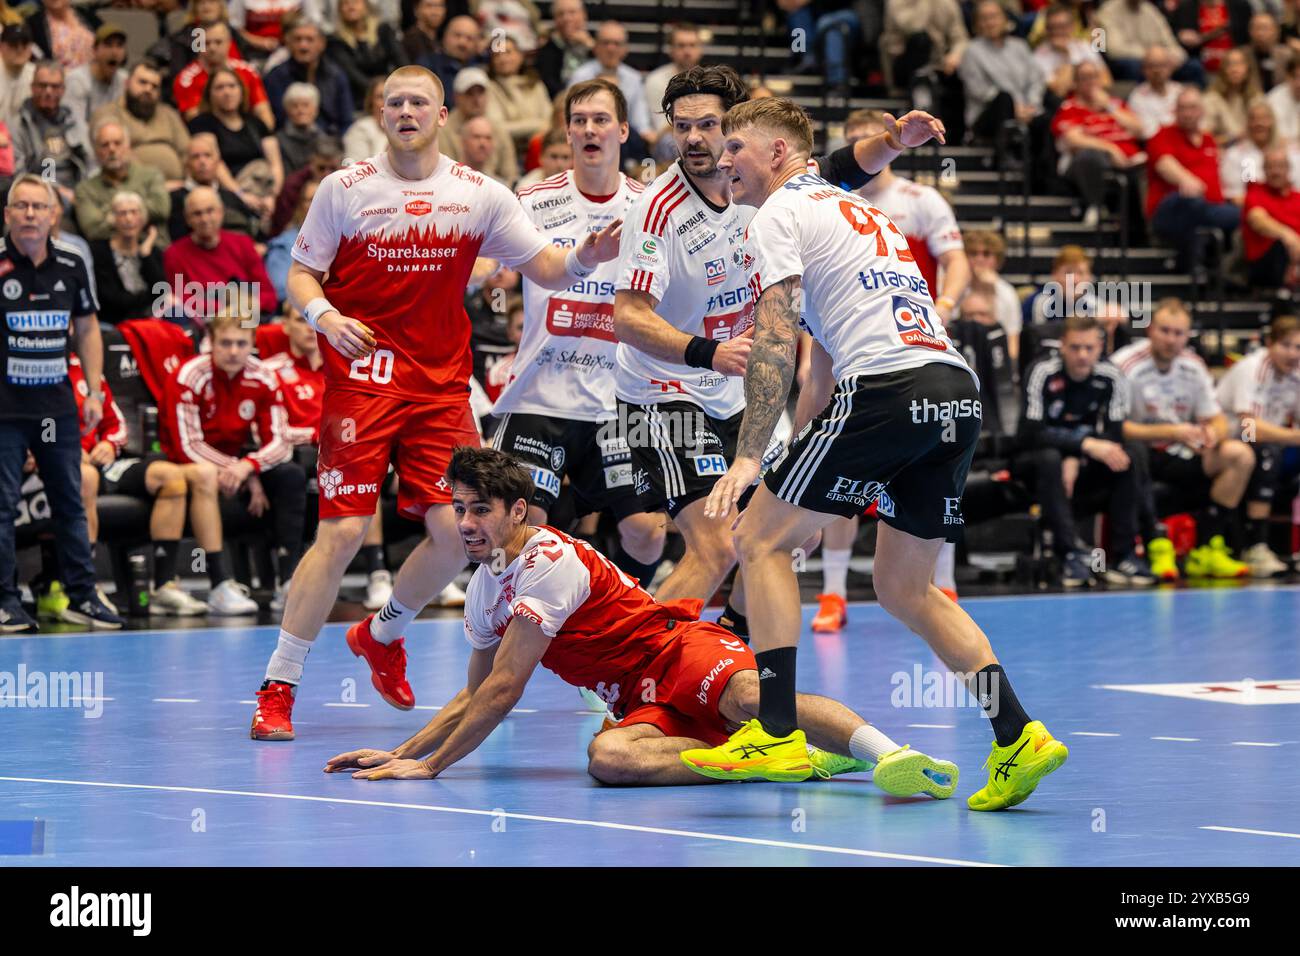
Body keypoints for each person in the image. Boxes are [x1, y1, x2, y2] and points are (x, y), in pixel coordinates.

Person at [690, 97, 1068, 811]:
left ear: (777, 154)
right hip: (953, 391)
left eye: (736, 144)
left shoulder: (776, 214)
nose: (723, 156)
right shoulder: (858, 215)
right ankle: (1017, 733)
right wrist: (797, 451)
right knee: (903, 587)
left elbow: (774, 338)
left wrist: (748, 459)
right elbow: (820, 369)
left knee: (756, 539)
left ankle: (774, 731)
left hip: (889, 389)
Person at [249, 64, 625, 741]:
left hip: (440, 385)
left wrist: (583, 259)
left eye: (418, 101)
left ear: (442, 114)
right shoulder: (345, 188)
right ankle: (279, 685)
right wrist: (325, 317)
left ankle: (382, 634)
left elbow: (541, 264)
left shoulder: (478, 194)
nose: (406, 111)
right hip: (362, 380)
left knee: (459, 533)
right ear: (380, 113)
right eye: (393, 101)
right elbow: (302, 274)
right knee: (340, 532)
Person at [323, 445, 960, 794]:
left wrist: (432, 767)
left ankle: (893, 757)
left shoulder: (548, 559)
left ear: (518, 511)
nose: (465, 524)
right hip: (635, 702)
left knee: (748, 693)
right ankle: (754, 755)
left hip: (677, 655)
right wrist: (402, 751)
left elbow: (505, 689)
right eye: (459, 509)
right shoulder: (486, 589)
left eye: (480, 510)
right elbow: (475, 692)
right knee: (608, 758)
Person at [612, 65, 946, 642]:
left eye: (709, 125)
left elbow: (840, 167)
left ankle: (734, 646)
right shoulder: (656, 208)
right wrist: (708, 352)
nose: (693, 138)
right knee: (718, 543)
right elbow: (627, 317)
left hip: (743, 390)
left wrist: (895, 141)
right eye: (681, 126)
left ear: (739, 129)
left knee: (793, 532)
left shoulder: (762, 186)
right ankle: (629, 672)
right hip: (667, 390)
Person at [491, 79, 665, 592]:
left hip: (619, 396)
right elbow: (489, 265)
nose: (590, 129)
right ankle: (514, 629)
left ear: (624, 130)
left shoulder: (649, 206)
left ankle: (621, 619)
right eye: (580, 120)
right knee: (521, 535)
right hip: (544, 393)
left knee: (646, 533)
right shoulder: (532, 198)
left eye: (601, 119)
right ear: (567, 131)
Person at [811, 107, 972, 631]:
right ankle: (833, 593)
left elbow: (959, 261)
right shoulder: (826, 201)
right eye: (856, 144)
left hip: (913, 339)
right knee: (835, 456)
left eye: (874, 141)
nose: (867, 154)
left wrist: (944, 304)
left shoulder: (919, 201)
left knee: (930, 459)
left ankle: (942, 581)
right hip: (844, 339)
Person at [0, 174, 124, 632]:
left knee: (70, 502)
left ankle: (82, 595)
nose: (30, 214)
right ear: (8, 214)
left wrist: (92, 391)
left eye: (39, 206)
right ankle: (5, 601)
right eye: (21, 206)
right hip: (6, 411)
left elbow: (88, 328)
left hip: (57, 408)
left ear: (54, 215)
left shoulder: (72, 262)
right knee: (2, 505)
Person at [259, 306, 400, 613]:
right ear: (285, 326)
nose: (310, 328)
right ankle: (288, 582)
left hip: (347, 452)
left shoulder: (347, 366)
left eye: (314, 321)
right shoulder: (269, 371)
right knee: (349, 466)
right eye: (301, 320)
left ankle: (382, 575)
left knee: (369, 466)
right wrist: (319, 434)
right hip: (297, 459)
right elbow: (276, 429)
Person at [163, 310, 305, 611]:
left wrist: (249, 467)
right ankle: (219, 585)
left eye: (241, 344)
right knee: (203, 472)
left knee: (290, 475)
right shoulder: (190, 376)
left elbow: (281, 441)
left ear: (252, 343)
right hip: (185, 465)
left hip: (237, 464)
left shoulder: (263, 376)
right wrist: (240, 471)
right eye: (225, 343)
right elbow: (187, 445)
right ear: (210, 343)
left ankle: (289, 583)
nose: (233, 351)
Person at [1113, 298, 1254, 580]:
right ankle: (1155, 545)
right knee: (1135, 452)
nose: (1171, 340)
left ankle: (1207, 549)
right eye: (1165, 331)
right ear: (1150, 330)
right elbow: (1114, 427)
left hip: (1183, 451)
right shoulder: (1125, 365)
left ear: (1187, 336)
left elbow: (1216, 418)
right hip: (1138, 451)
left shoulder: (1194, 366)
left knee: (1241, 455)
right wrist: (1171, 431)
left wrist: (1212, 434)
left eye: (1178, 333)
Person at [68, 354, 212, 616]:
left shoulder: (89, 371)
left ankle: (163, 587)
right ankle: (86, 588)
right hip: (68, 466)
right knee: (84, 476)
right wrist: (66, 450)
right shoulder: (32, 371)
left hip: (108, 465)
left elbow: (117, 425)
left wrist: (109, 444)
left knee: (172, 478)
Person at [1015, 315, 1152, 587]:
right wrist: (1082, 445)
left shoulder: (1110, 375)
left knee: (1131, 454)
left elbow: (1114, 433)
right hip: (1036, 460)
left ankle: (1124, 554)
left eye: (1089, 348)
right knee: (1050, 459)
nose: (1082, 355)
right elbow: (1029, 433)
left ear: (1100, 348)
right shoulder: (1042, 371)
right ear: (1062, 346)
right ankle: (1070, 554)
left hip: (1082, 461)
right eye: (1075, 347)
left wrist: (1077, 454)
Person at [1214, 315, 1300, 576]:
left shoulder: (1296, 374)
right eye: (1286, 345)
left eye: (1299, 347)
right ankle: (1256, 546)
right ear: (1269, 343)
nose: (1293, 353)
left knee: (1272, 450)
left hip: (1273, 442)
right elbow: (1249, 429)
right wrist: (1294, 437)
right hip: (1231, 443)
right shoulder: (1253, 368)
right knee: (1267, 452)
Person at [1145, 87, 1239, 271]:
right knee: (1191, 202)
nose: (1188, 113)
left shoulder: (1209, 140)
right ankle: (1190, 265)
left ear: (1201, 111)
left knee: (1244, 214)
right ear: (1176, 111)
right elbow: (1165, 164)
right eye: (1183, 108)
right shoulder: (1162, 135)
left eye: (1193, 108)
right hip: (1172, 208)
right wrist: (1186, 179)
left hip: (1211, 207)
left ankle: (1229, 273)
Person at [1050, 60, 1147, 229]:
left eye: (1094, 76)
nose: (1091, 82)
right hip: (1093, 162)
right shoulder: (1069, 107)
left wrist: (1109, 107)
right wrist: (1110, 149)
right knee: (1090, 156)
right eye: (1084, 77)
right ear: (1076, 82)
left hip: (1131, 160)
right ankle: (1096, 204)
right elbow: (1073, 140)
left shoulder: (1115, 104)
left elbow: (1139, 130)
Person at [163, 187, 278, 322]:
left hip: (248, 321)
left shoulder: (243, 244)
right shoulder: (174, 254)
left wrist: (246, 306)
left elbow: (269, 296)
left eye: (210, 211)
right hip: (205, 324)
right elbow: (184, 301)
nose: (205, 219)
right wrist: (232, 307)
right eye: (197, 213)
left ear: (221, 212)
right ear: (187, 219)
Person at [92, 60, 191, 187]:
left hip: (180, 187)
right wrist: (158, 185)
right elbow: (117, 154)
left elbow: (188, 152)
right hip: (135, 189)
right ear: (126, 83)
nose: (148, 89)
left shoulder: (169, 114)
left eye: (154, 86)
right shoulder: (108, 113)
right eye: (142, 82)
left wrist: (189, 183)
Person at [958, 0, 1044, 144]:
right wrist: (1014, 108)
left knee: (1046, 117)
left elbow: (1036, 79)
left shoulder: (1020, 46)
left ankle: (1045, 165)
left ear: (1005, 19)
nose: (990, 22)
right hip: (987, 115)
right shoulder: (971, 51)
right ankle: (1004, 158)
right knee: (1004, 98)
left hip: (1025, 110)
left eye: (994, 17)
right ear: (977, 24)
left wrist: (1032, 105)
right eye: (984, 18)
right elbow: (979, 90)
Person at [74, 120, 172, 243]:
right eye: (105, 145)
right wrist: (139, 210)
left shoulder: (151, 175)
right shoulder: (85, 189)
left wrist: (110, 215)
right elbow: (93, 230)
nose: (112, 149)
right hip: (112, 256)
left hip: (154, 249)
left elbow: (161, 209)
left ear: (128, 146)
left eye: (117, 143)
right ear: (95, 151)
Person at [172, 20, 274, 130]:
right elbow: (195, 120)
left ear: (229, 42)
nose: (212, 48)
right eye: (206, 43)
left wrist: (265, 136)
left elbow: (264, 112)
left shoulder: (248, 72)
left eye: (218, 42)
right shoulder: (186, 80)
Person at [567, 22, 654, 145]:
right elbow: (571, 116)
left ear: (625, 49)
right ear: (596, 46)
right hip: (586, 135)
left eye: (617, 44)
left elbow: (640, 122)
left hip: (624, 140)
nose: (611, 48)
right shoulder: (581, 76)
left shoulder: (634, 78)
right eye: (606, 43)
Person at [90, 190, 166, 325]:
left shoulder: (151, 251)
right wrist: (149, 297)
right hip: (114, 322)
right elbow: (112, 299)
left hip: (151, 320)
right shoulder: (99, 251)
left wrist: (145, 254)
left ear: (142, 218)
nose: (129, 218)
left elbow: (161, 292)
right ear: (113, 218)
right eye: (122, 213)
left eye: (134, 212)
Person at [1242, 144, 1300, 287]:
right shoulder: (1255, 194)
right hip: (1265, 263)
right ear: (1264, 170)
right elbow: (1258, 220)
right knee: (1280, 245)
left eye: (1280, 166)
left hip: (1296, 259)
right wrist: (1288, 236)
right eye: (1271, 167)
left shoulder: (1297, 197)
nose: (1276, 172)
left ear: (1288, 169)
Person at [329, 0, 406, 105]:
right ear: (340, 11)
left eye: (355, 2)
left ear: (366, 6)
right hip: (359, 99)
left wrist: (394, 86)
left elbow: (402, 61)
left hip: (392, 89)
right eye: (345, 3)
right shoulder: (336, 41)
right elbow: (353, 75)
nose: (351, 6)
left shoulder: (383, 30)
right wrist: (380, 91)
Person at [485, 33, 551, 156]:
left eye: (508, 52)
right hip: (506, 153)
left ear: (520, 55)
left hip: (539, 150)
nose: (503, 59)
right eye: (497, 55)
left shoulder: (535, 84)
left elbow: (549, 121)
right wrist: (536, 125)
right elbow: (497, 129)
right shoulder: (488, 88)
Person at [643, 23, 703, 144]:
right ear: (671, 50)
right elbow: (663, 127)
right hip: (669, 138)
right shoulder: (655, 79)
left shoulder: (711, 79)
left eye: (692, 45)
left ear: (700, 49)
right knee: (668, 140)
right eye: (681, 46)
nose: (687, 51)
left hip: (703, 132)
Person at [63, 23, 127, 128]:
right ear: (95, 50)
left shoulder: (124, 80)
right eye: (108, 45)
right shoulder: (77, 80)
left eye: (119, 46)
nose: (114, 52)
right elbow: (75, 128)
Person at [535, 0, 594, 98]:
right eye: (560, 14)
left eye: (572, 12)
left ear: (584, 15)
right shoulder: (547, 49)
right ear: (554, 19)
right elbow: (549, 85)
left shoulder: (597, 45)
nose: (566, 18)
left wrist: (591, 46)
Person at [1128, 45, 1185, 140]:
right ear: (1144, 70)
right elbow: (1147, 132)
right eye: (1151, 66)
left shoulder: (1180, 91)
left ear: (1170, 67)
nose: (1157, 70)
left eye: (1161, 65)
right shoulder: (1137, 97)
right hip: (1158, 144)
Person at [274, 83, 321, 174]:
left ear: (315, 110)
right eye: (295, 106)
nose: (300, 111)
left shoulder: (326, 139)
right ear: (287, 110)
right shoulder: (278, 141)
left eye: (305, 105)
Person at [0, 23, 37, 127]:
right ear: (1, 46)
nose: (19, 50)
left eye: (24, 44)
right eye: (13, 45)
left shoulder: (37, 75)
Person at [344, 76, 388, 162]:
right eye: (380, 97)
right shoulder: (360, 130)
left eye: (390, 96)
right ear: (371, 102)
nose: (386, 102)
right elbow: (356, 171)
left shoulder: (404, 129)